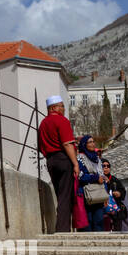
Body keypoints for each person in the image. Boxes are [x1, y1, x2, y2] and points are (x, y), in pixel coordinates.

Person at [38, 94, 79, 232]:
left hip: (50, 160)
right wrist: (75, 163)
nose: (63, 108)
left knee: (59, 193)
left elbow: (40, 146)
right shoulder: (62, 121)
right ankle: (63, 229)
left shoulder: (43, 123)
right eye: (61, 106)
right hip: (63, 159)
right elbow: (67, 144)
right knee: (65, 196)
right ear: (53, 108)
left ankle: (62, 227)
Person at [75, 136, 109, 231]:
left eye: (93, 141)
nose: (93, 144)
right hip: (87, 195)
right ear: (84, 144)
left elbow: (101, 176)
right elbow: (80, 176)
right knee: (88, 222)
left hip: (98, 195)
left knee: (99, 221)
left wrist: (105, 194)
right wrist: (95, 178)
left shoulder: (97, 159)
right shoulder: (80, 158)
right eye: (90, 142)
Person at [102, 159, 128, 231]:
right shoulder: (98, 179)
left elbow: (123, 191)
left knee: (117, 230)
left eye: (108, 166)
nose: (106, 168)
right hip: (103, 211)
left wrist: (119, 194)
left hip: (116, 210)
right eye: (103, 166)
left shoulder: (115, 180)